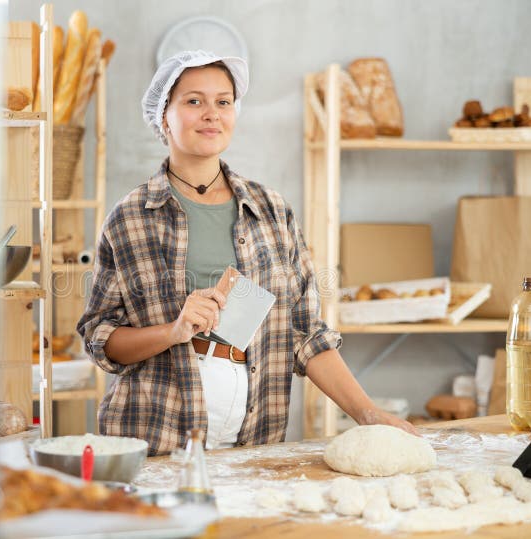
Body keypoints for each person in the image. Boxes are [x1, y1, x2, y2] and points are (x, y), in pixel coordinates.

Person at [78, 50, 416, 456]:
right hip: (156, 427)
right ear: (163, 116)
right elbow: (100, 336)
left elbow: (306, 333)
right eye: (193, 101)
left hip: (255, 429)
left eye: (223, 101)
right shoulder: (129, 217)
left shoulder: (272, 210)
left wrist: (367, 413)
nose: (212, 113)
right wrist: (173, 331)